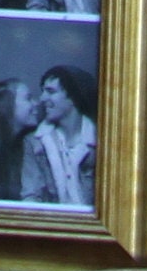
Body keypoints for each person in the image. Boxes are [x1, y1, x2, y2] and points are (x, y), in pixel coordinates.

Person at [21, 66, 97, 211]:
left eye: (50, 91)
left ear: (73, 98)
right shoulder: (35, 142)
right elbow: (30, 198)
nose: (42, 99)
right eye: (43, 91)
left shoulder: (102, 141)